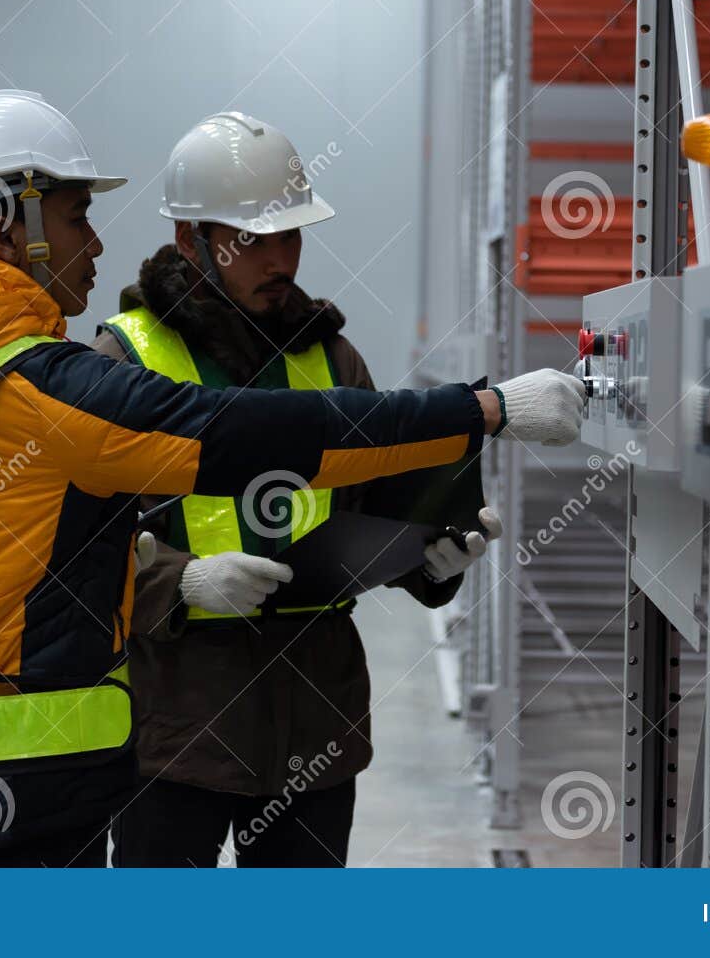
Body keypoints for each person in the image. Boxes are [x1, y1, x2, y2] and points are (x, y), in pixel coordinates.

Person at [0, 90, 585, 867]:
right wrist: (484, 409)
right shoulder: (54, 385)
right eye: (79, 217)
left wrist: (423, 562)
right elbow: (238, 435)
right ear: (8, 223)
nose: (97, 244)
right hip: (61, 778)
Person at [93, 112, 495, 867]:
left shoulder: (331, 358)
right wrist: (182, 582)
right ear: (191, 241)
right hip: (176, 724)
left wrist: (429, 561)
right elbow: (75, 544)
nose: (281, 259)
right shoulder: (125, 360)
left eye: (292, 236)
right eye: (256, 240)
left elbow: (376, 512)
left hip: (315, 723)